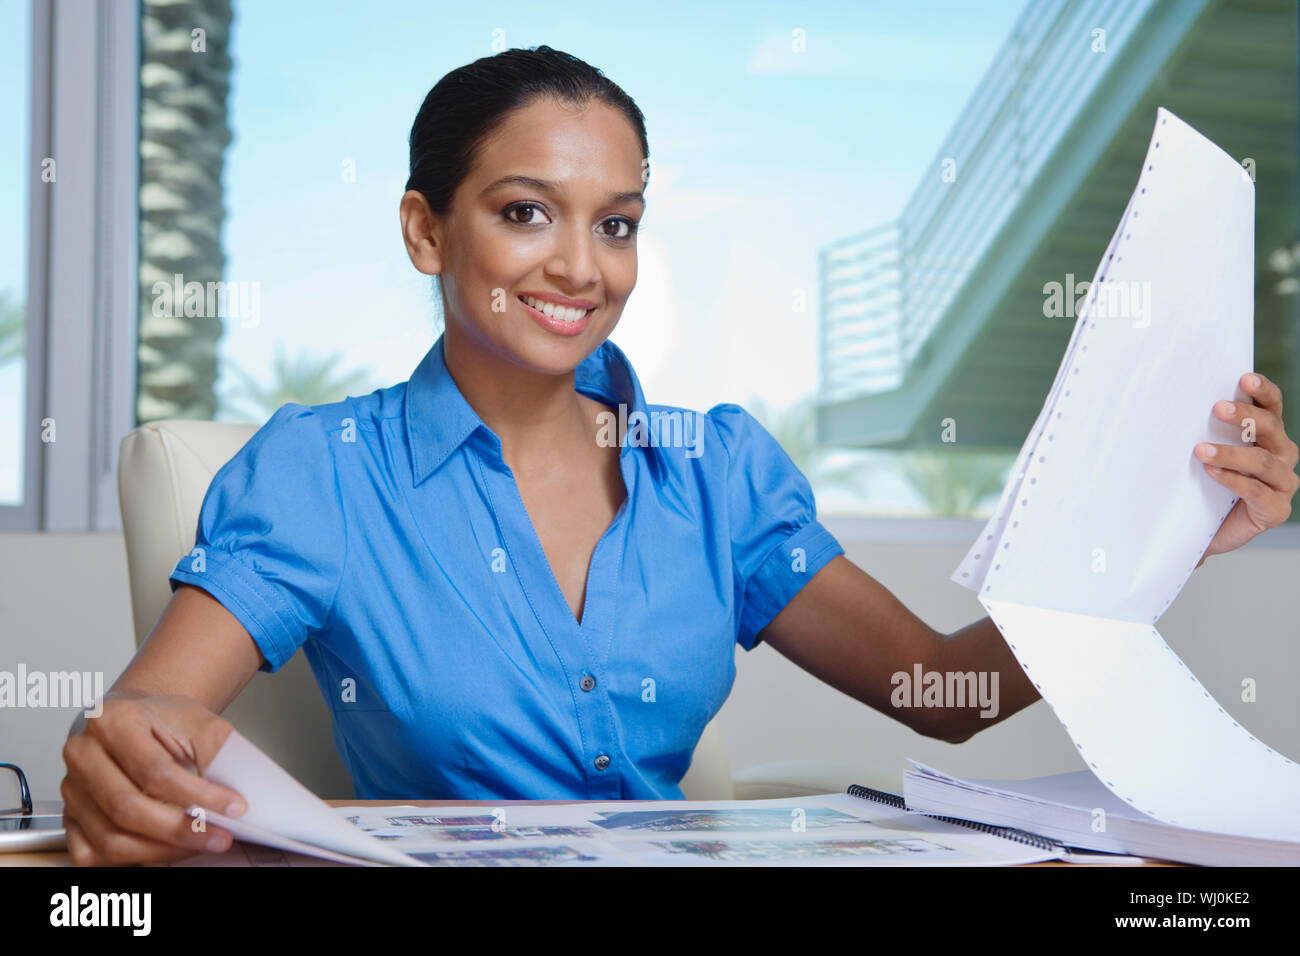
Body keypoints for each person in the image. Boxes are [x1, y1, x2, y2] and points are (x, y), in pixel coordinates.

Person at [60, 46, 1300, 866]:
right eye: (523, 212)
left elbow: (945, 694)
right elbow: (156, 707)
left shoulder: (716, 471)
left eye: (616, 224)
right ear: (425, 228)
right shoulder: (323, 470)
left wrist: (1155, 537)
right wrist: (128, 760)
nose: (580, 268)